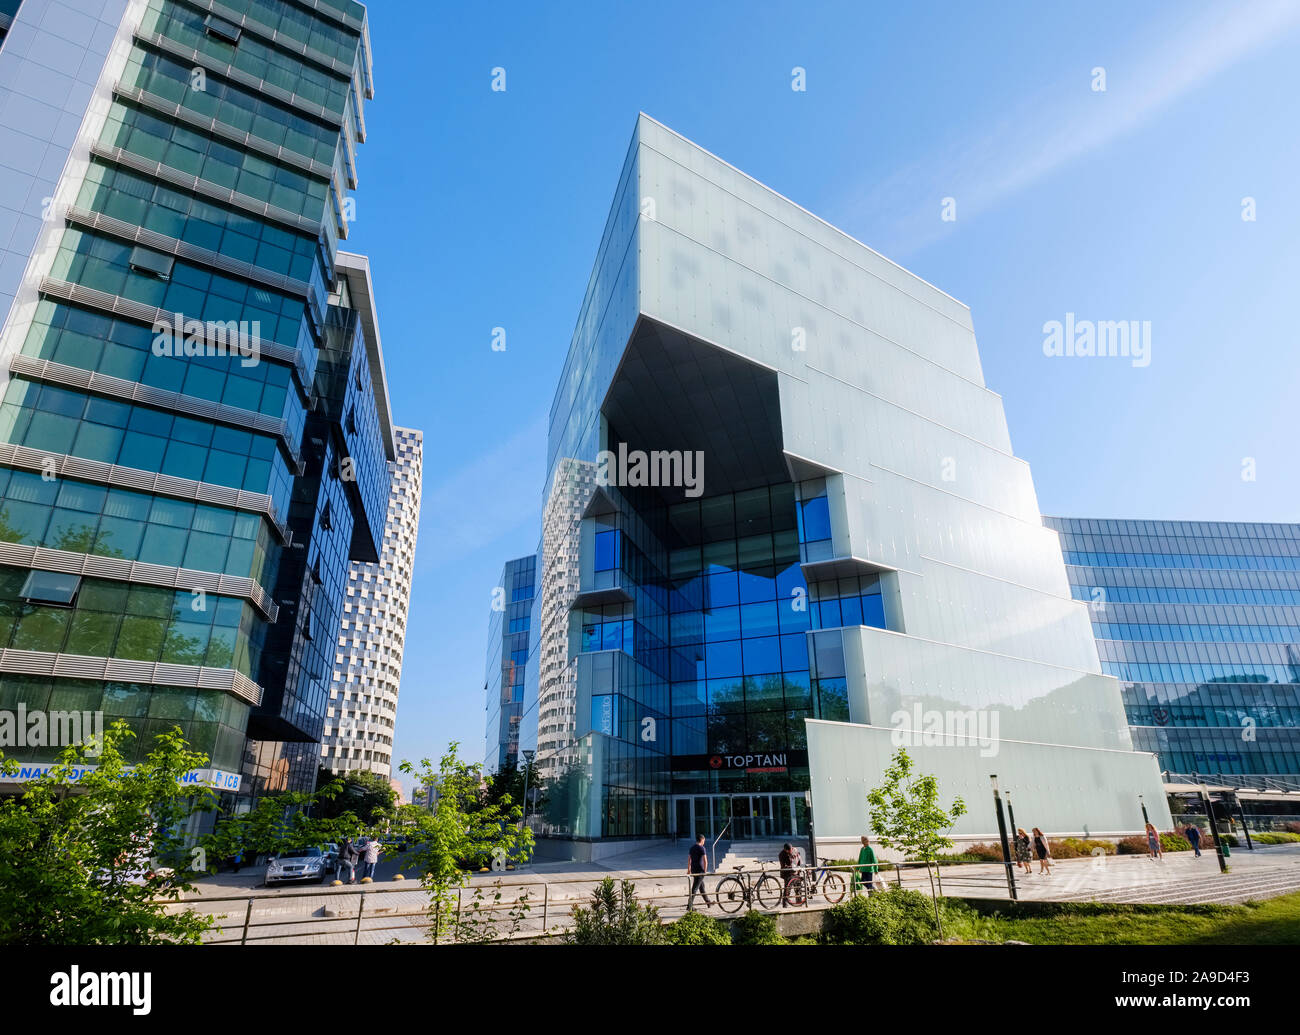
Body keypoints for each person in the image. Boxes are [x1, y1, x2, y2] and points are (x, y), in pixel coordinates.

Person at [686, 834, 712, 910]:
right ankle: (689, 906)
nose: (704, 842)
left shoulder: (692, 848)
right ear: (702, 840)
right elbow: (705, 861)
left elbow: (689, 859)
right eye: (704, 841)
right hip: (700, 871)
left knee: (701, 887)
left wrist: (688, 869)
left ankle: (708, 902)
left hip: (694, 870)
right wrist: (705, 871)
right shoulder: (702, 848)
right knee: (695, 888)